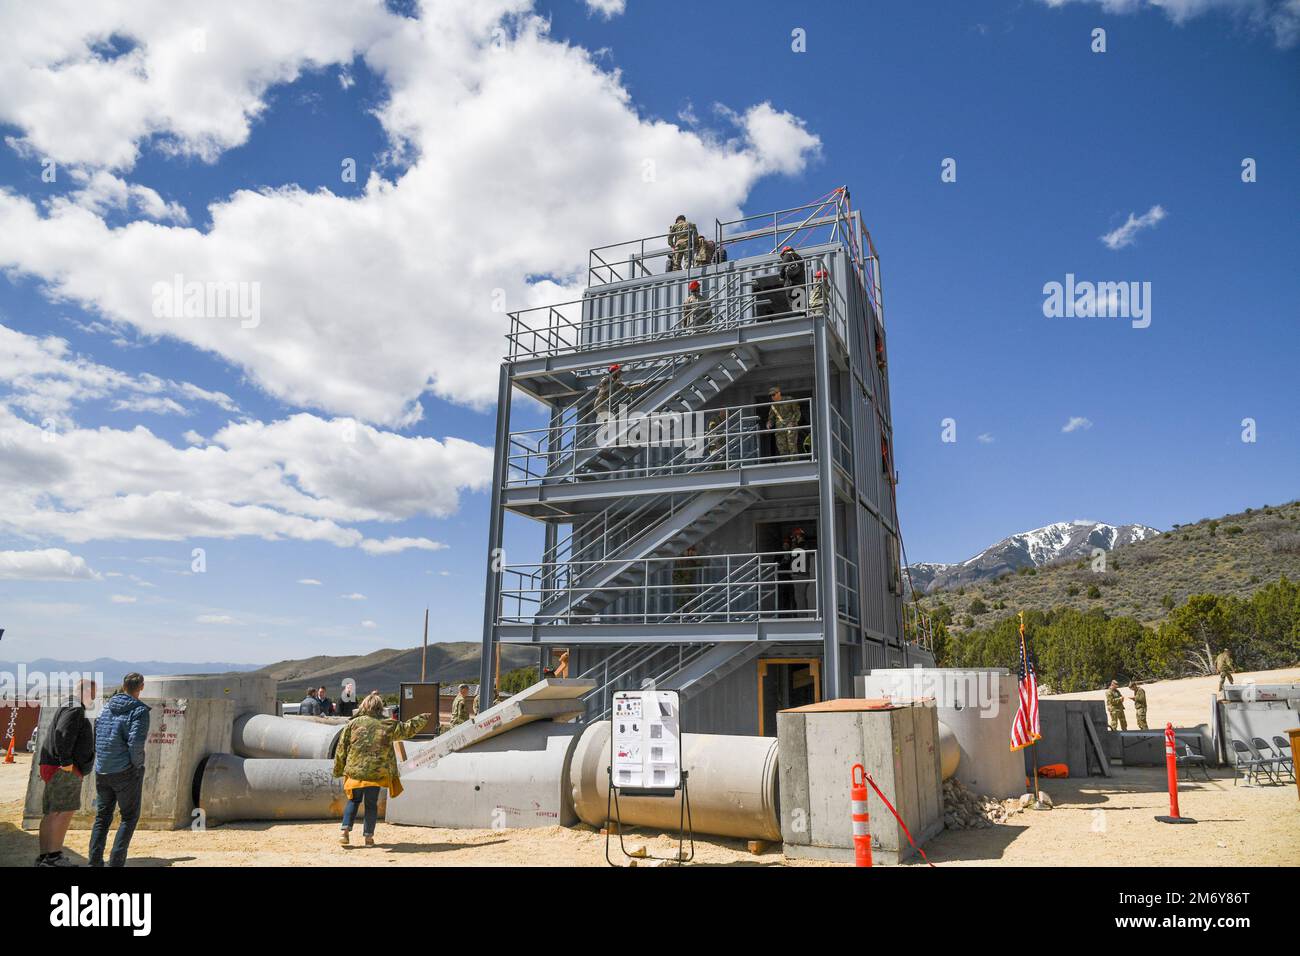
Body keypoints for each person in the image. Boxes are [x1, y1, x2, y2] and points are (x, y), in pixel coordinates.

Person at [332, 692, 429, 847]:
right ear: (380, 707)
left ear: (364, 706)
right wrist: (423, 717)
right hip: (377, 772)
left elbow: (341, 748)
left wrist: (338, 769)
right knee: (371, 804)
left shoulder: (353, 723)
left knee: (354, 800)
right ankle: (368, 838)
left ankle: (344, 831)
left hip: (355, 771)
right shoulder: (389, 724)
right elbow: (407, 729)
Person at [88, 672, 150, 868]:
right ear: (141, 686)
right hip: (125, 772)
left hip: (102, 770)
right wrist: (137, 766)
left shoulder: (105, 708)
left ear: (123, 686)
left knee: (102, 817)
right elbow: (135, 744)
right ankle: (116, 862)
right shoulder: (139, 711)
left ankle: (94, 861)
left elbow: (96, 735)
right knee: (129, 817)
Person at [36, 679, 96, 867]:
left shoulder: (68, 705)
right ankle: (54, 857)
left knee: (52, 813)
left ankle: (45, 857)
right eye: (93, 694)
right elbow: (63, 732)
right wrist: (67, 762)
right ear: (86, 692)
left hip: (53, 766)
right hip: (63, 769)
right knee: (63, 812)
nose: (94, 699)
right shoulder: (74, 708)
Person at [767, 386, 802, 458]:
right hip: (779, 429)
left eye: (773, 395)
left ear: (779, 393)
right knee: (781, 447)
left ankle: (794, 462)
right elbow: (771, 418)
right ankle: (785, 462)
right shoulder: (773, 406)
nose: (772, 397)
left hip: (790, 426)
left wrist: (792, 422)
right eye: (770, 396)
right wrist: (769, 423)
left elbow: (797, 413)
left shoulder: (789, 400)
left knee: (792, 446)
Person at [672, 546, 703, 613]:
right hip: (681, 582)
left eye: (692, 550)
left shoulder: (691, 559)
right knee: (687, 595)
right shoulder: (680, 559)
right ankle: (692, 611)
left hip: (689, 582)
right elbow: (676, 574)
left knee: (683, 599)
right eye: (689, 550)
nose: (690, 552)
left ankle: (680, 613)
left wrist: (695, 556)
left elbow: (701, 564)